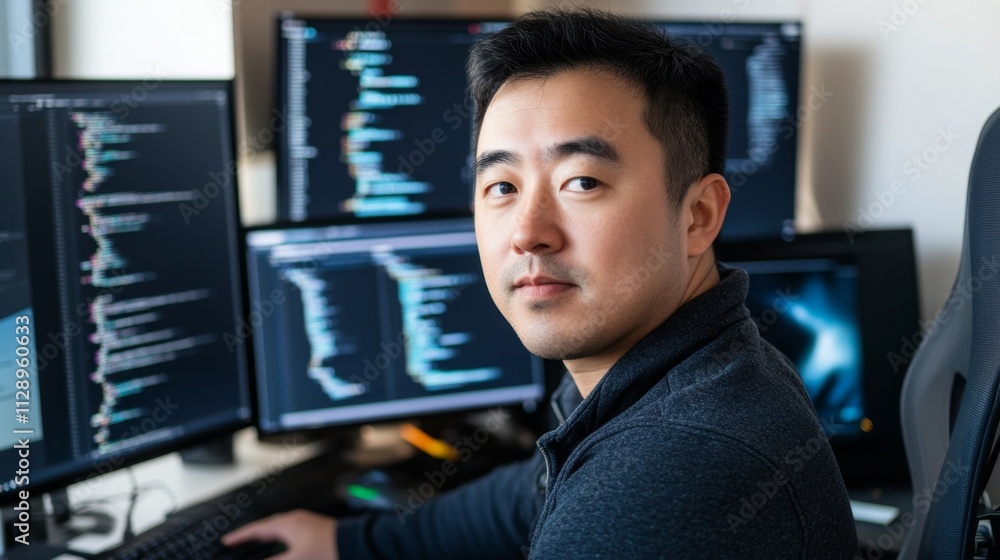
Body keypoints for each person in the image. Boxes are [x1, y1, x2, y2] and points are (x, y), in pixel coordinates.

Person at [224, 9, 861, 559]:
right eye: (501, 187)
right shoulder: (687, 369)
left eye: (581, 181)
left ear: (698, 216)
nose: (528, 232)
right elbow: (528, 494)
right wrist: (351, 544)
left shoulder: (662, 481)